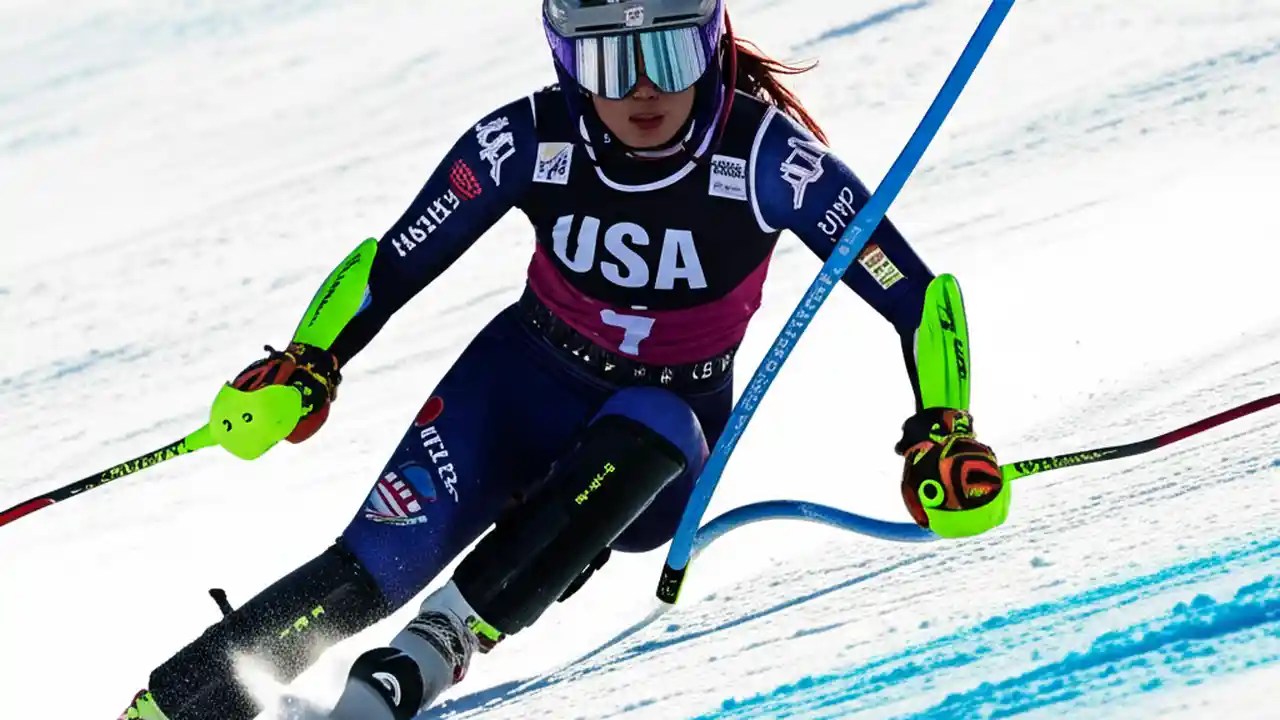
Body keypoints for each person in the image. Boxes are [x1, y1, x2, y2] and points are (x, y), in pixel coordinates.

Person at [121, 1, 1009, 718]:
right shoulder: (530, 140)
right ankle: (173, 708)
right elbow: (392, 260)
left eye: (666, 54)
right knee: (368, 570)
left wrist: (946, 428)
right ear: (564, 60)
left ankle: (427, 659)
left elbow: (916, 296)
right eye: (608, 63)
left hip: (657, 444)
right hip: (514, 388)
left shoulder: (768, 157)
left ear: (707, 41)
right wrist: (310, 360)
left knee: (653, 422)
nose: (642, 90)